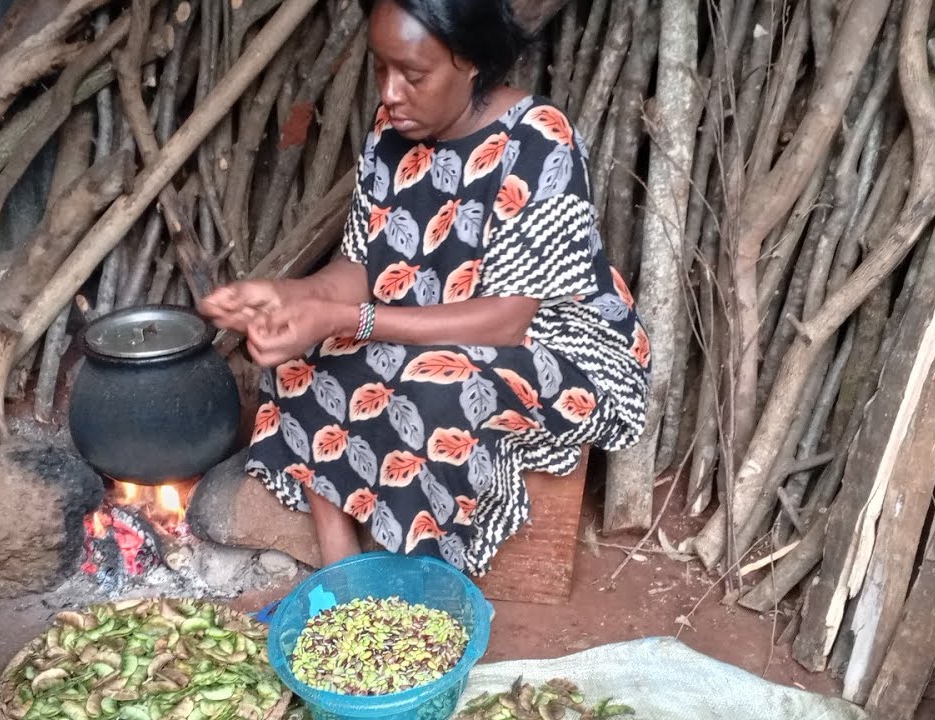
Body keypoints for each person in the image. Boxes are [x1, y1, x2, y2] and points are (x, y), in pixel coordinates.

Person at [199, 0, 650, 576]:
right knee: (299, 356)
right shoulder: (392, 130)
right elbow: (365, 265)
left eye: (412, 74)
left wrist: (345, 320)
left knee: (434, 393)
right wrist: (293, 298)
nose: (390, 93)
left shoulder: (538, 141)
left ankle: (420, 584)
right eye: (381, 69)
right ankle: (342, 562)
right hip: (430, 318)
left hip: (555, 344)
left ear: (470, 63)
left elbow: (507, 321)